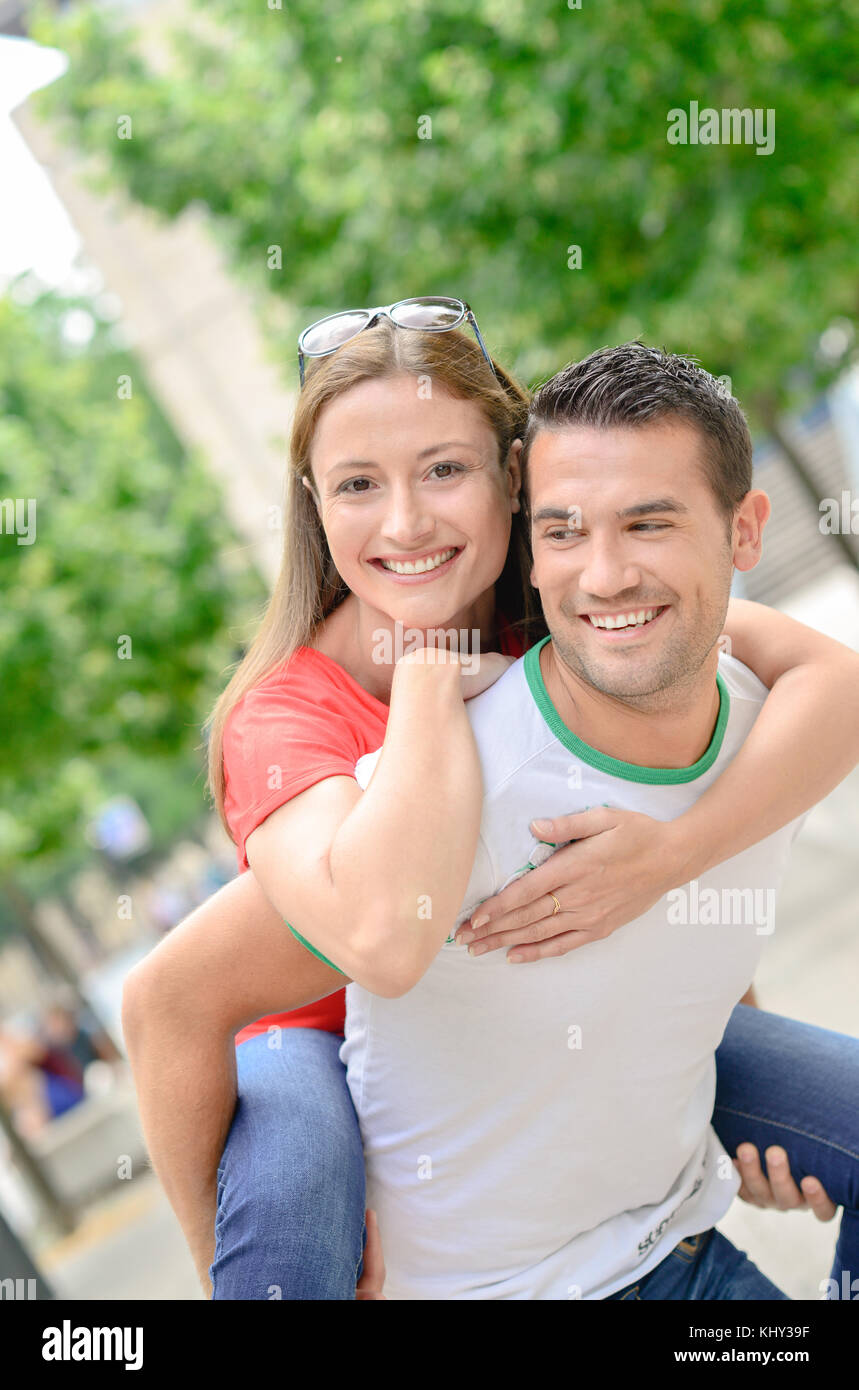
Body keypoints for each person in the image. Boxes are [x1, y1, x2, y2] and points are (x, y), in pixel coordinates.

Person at [122, 307, 859, 1298]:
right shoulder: (283, 716)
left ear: (514, 476)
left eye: (444, 471)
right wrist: (426, 686)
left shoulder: (576, 598)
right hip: (325, 1038)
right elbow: (378, 941)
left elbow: (829, 683)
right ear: (313, 505)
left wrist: (674, 867)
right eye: (357, 486)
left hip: (545, 1011)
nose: (406, 523)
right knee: (296, 1185)